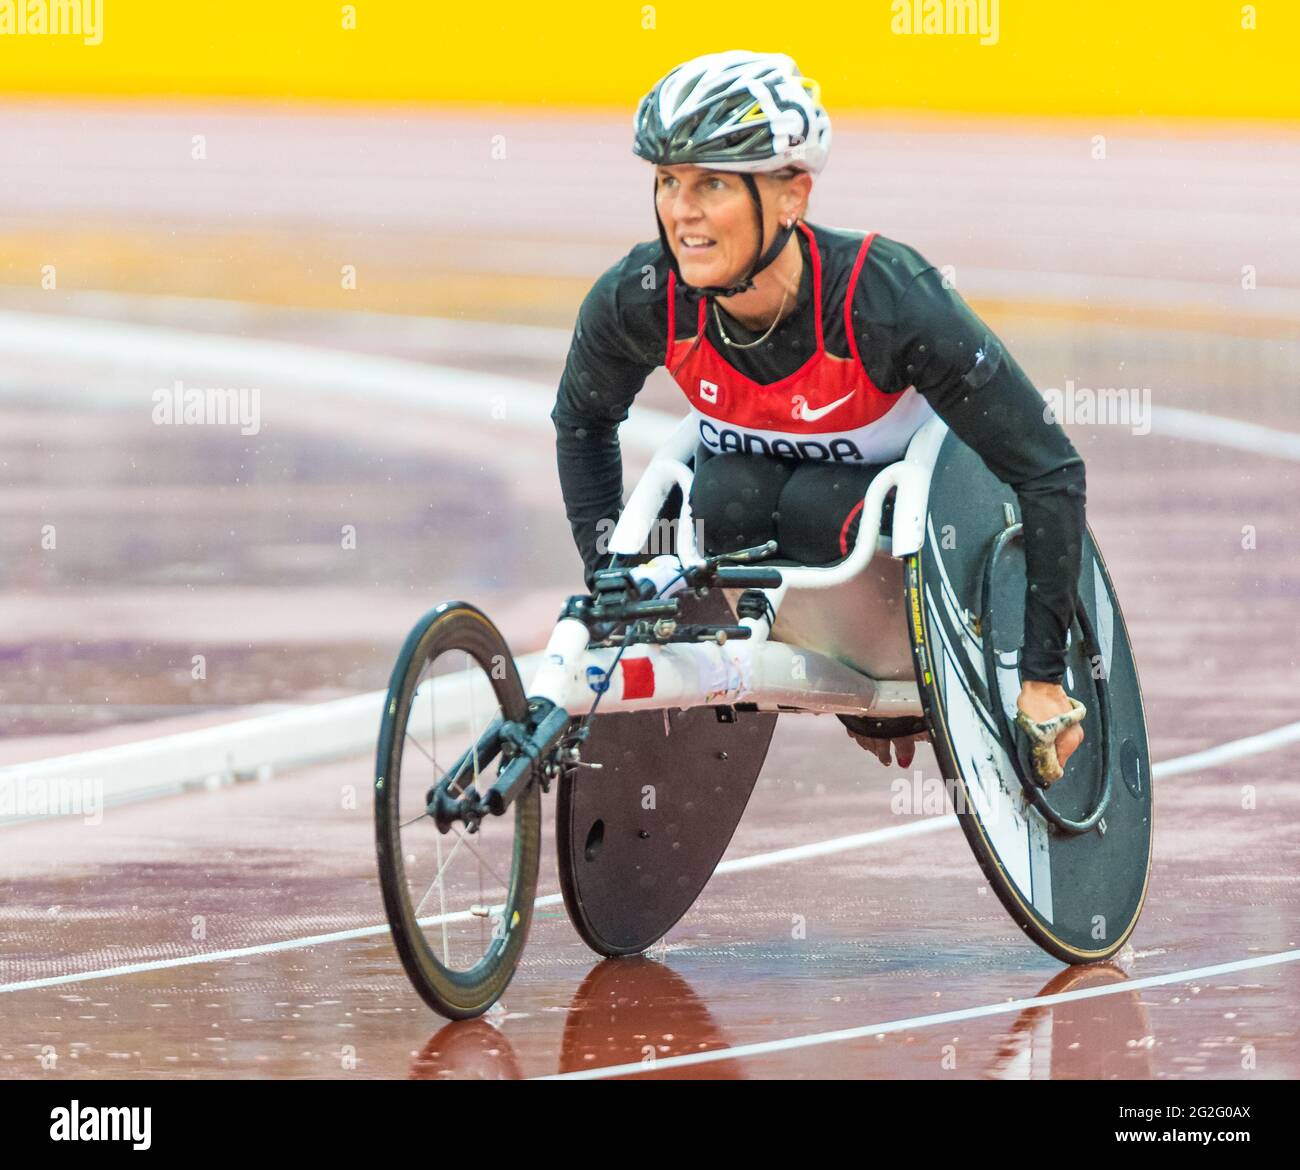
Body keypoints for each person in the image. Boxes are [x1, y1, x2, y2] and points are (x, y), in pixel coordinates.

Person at [551, 50, 1085, 774]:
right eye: (668, 180)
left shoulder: (888, 298)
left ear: (792, 195)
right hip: (753, 515)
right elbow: (582, 422)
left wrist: (1045, 680)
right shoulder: (642, 294)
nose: (682, 210)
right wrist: (605, 576)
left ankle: (885, 679)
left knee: (812, 504)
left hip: (898, 547)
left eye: (711, 182)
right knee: (723, 501)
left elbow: (1049, 469)